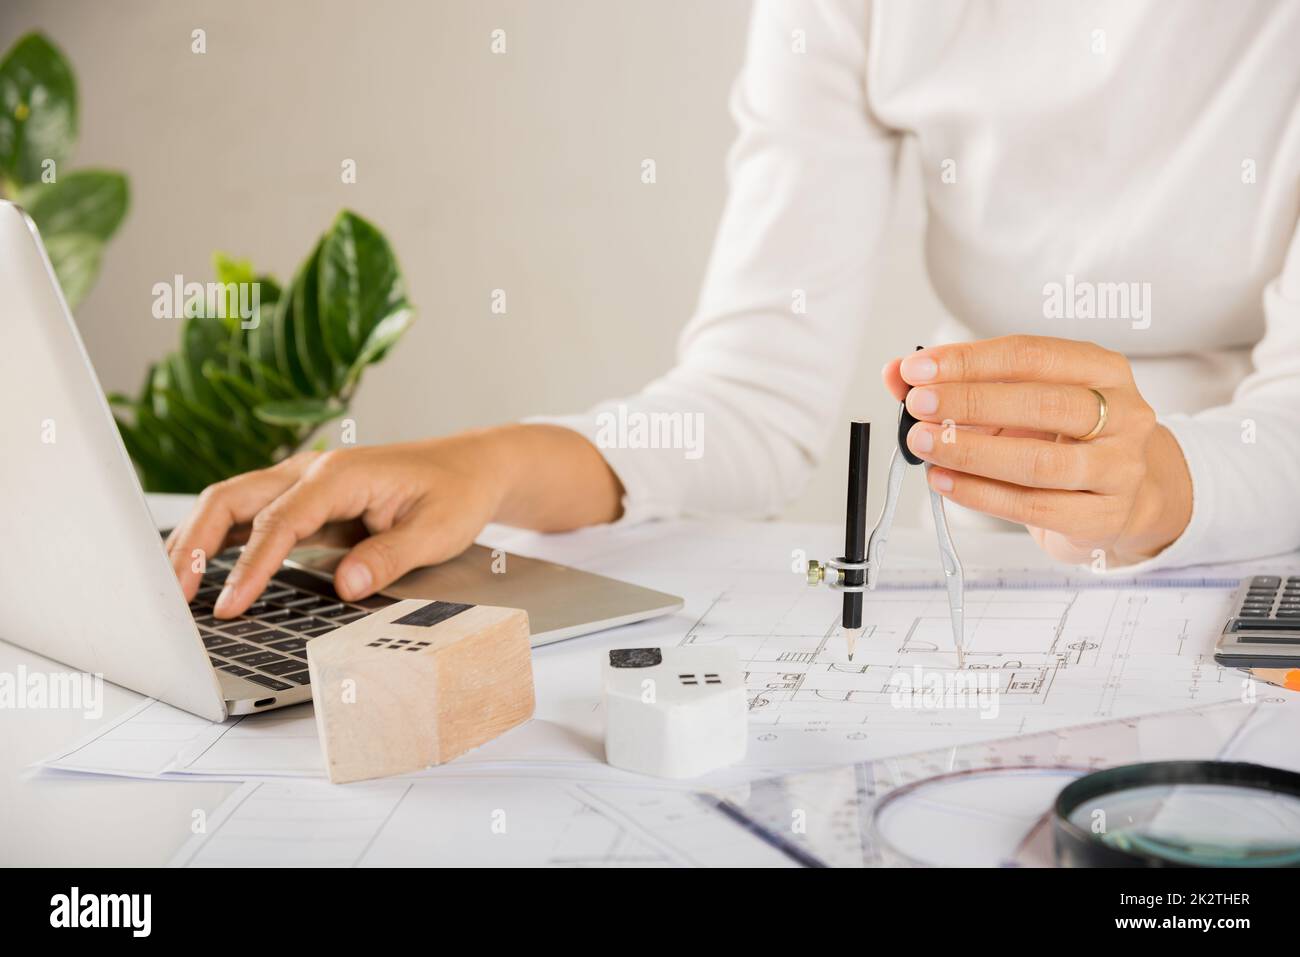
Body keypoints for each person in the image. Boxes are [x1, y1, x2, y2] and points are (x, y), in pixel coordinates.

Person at [165, 0, 1300, 618]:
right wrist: (492, 464)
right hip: (993, 577)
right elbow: (750, 402)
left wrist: (1150, 485)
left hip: (1267, 573)